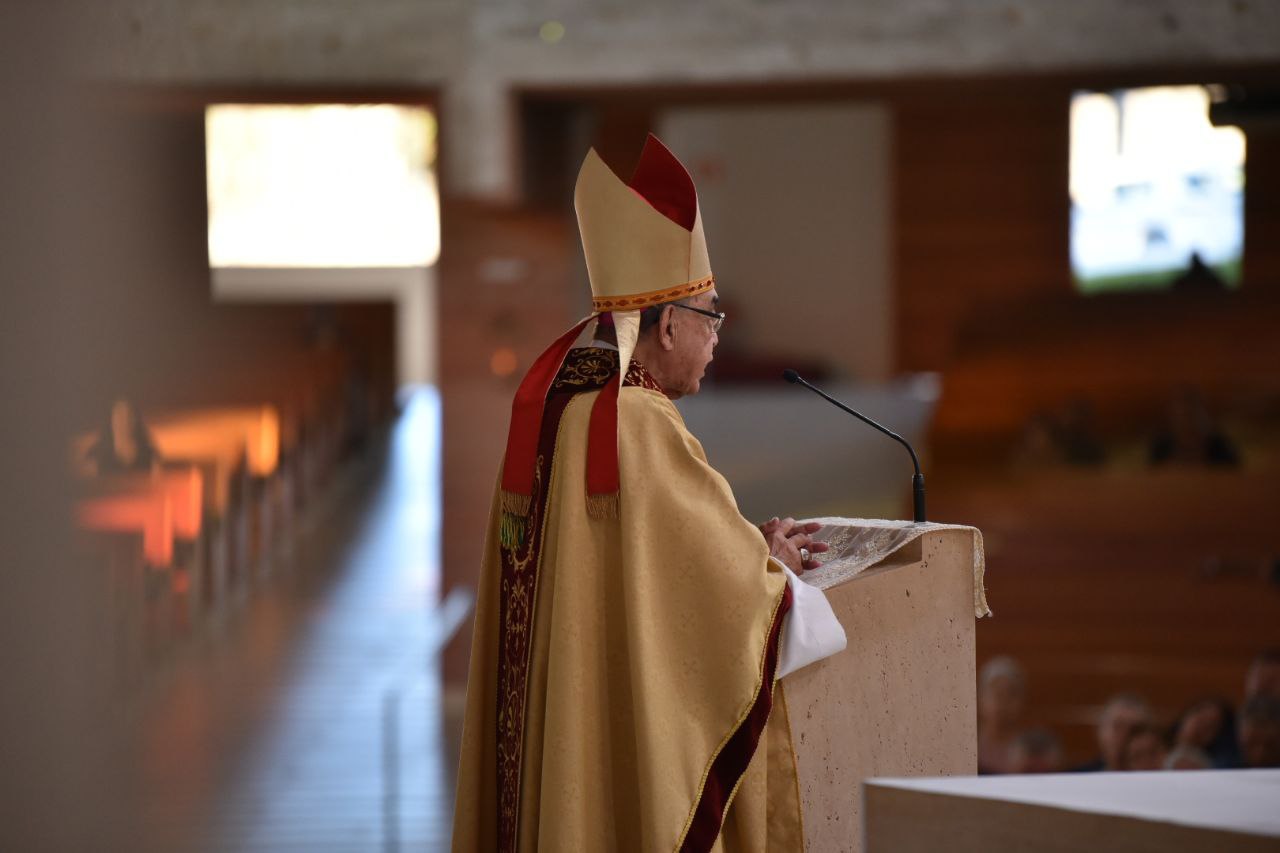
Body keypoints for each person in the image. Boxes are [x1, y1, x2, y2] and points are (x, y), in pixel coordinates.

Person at [451, 136, 847, 852]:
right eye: (711, 315)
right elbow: (725, 604)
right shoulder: (639, 420)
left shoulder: (565, 405)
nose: (717, 336)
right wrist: (773, 575)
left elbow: (650, 570)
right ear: (669, 324)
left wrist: (748, 553)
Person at [1073, 693, 1151, 772]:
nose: (1125, 735)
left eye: (1135, 730)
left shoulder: (1160, 778)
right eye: (1118, 726)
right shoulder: (1076, 778)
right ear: (1100, 731)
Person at [977, 656, 1027, 774]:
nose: (1003, 701)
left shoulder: (1030, 750)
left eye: (1011, 693)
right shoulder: (966, 747)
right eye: (996, 693)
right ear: (980, 698)